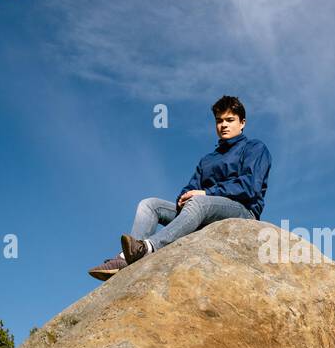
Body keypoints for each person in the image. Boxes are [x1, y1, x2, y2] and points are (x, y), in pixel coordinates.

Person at [89, 95, 272, 280]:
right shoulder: (208, 159)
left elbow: (250, 187)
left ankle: (148, 248)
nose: (223, 125)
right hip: (203, 210)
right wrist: (183, 198)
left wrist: (206, 193)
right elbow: (191, 187)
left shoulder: (254, 148)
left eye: (229, 120)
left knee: (199, 202)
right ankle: (128, 258)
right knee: (150, 204)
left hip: (242, 211)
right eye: (219, 121)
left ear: (242, 123)